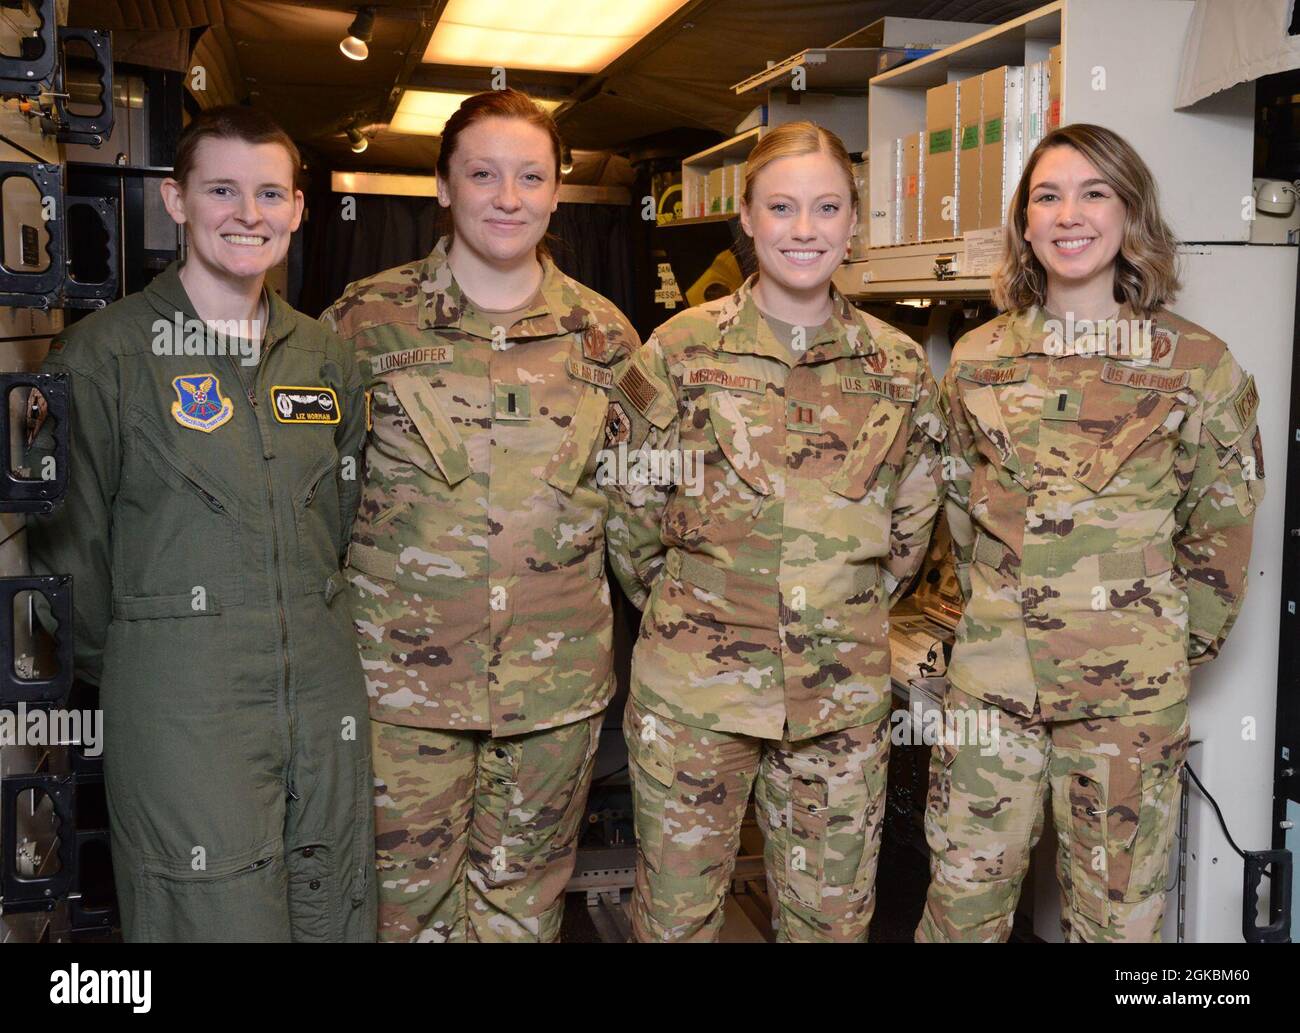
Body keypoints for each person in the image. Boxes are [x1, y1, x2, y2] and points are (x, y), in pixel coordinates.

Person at [25, 106, 376, 941]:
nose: (248, 214)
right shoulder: (104, 358)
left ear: (298, 209)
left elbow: (339, 519)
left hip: (323, 692)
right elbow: (70, 572)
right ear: (176, 201)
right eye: (222, 190)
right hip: (184, 705)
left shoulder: (325, 358)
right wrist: (168, 658)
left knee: (335, 900)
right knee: (210, 912)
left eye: (270, 193)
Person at [917, 123, 1264, 943]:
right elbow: (959, 512)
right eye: (1048, 196)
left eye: (1094, 193)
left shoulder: (1196, 365)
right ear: (1025, 223)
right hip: (992, 690)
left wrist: (1151, 647)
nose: (1069, 215)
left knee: (1117, 924)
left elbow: (1221, 535)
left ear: (1130, 213)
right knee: (961, 911)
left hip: (1128, 702)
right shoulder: (977, 359)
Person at [605, 121, 946, 942]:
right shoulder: (677, 352)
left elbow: (912, 530)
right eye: (782, 207)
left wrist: (833, 605)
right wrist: (703, 608)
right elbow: (629, 517)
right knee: (676, 921)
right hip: (695, 697)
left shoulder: (898, 368)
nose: (805, 229)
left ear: (854, 222)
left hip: (838, 699)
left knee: (831, 924)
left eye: (826, 207)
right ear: (748, 218)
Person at [322, 89, 639, 942]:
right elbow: (312, 500)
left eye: (531, 176)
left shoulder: (605, 336)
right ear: (442, 185)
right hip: (402, 696)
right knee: (402, 912)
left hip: (553, 695)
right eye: (483, 174)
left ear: (556, 192)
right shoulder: (362, 323)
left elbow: (639, 512)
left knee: (526, 909)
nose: (509, 197)